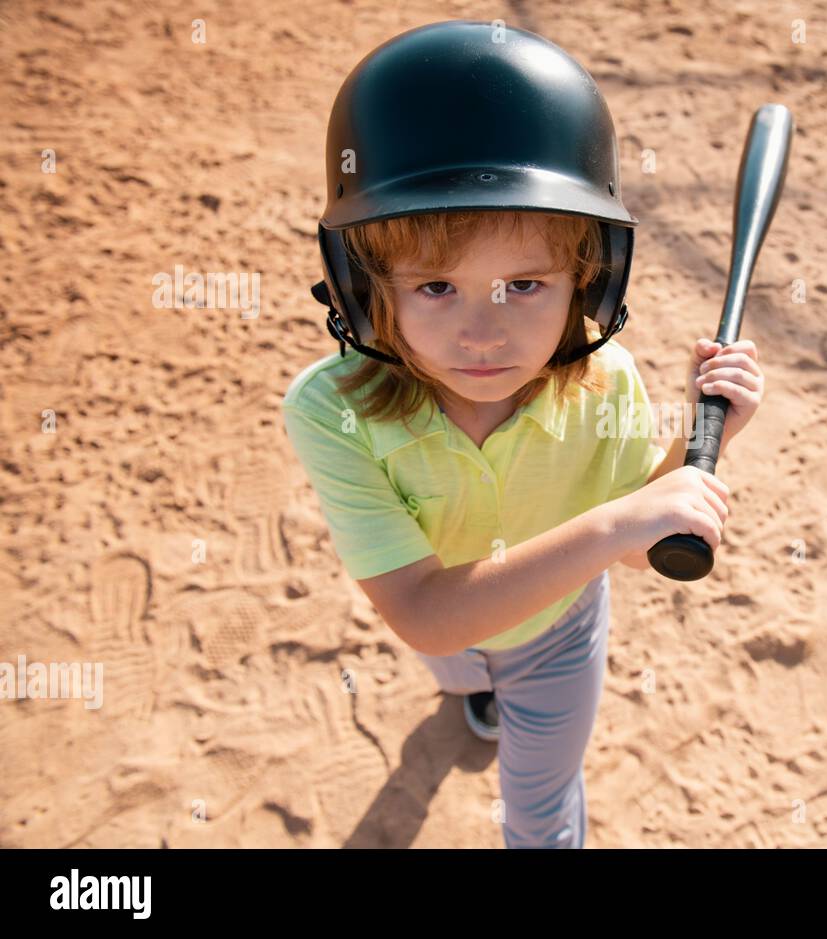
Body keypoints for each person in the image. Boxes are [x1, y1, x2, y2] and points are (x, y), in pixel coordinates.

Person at [281, 20, 763, 848]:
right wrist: (615, 524)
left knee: (540, 809)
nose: (483, 334)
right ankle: (474, 689)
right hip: (450, 625)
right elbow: (430, 613)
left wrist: (705, 447)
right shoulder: (332, 410)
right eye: (436, 284)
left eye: (526, 283)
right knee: (458, 658)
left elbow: (646, 539)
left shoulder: (606, 380)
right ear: (362, 288)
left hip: (558, 632)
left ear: (591, 279)